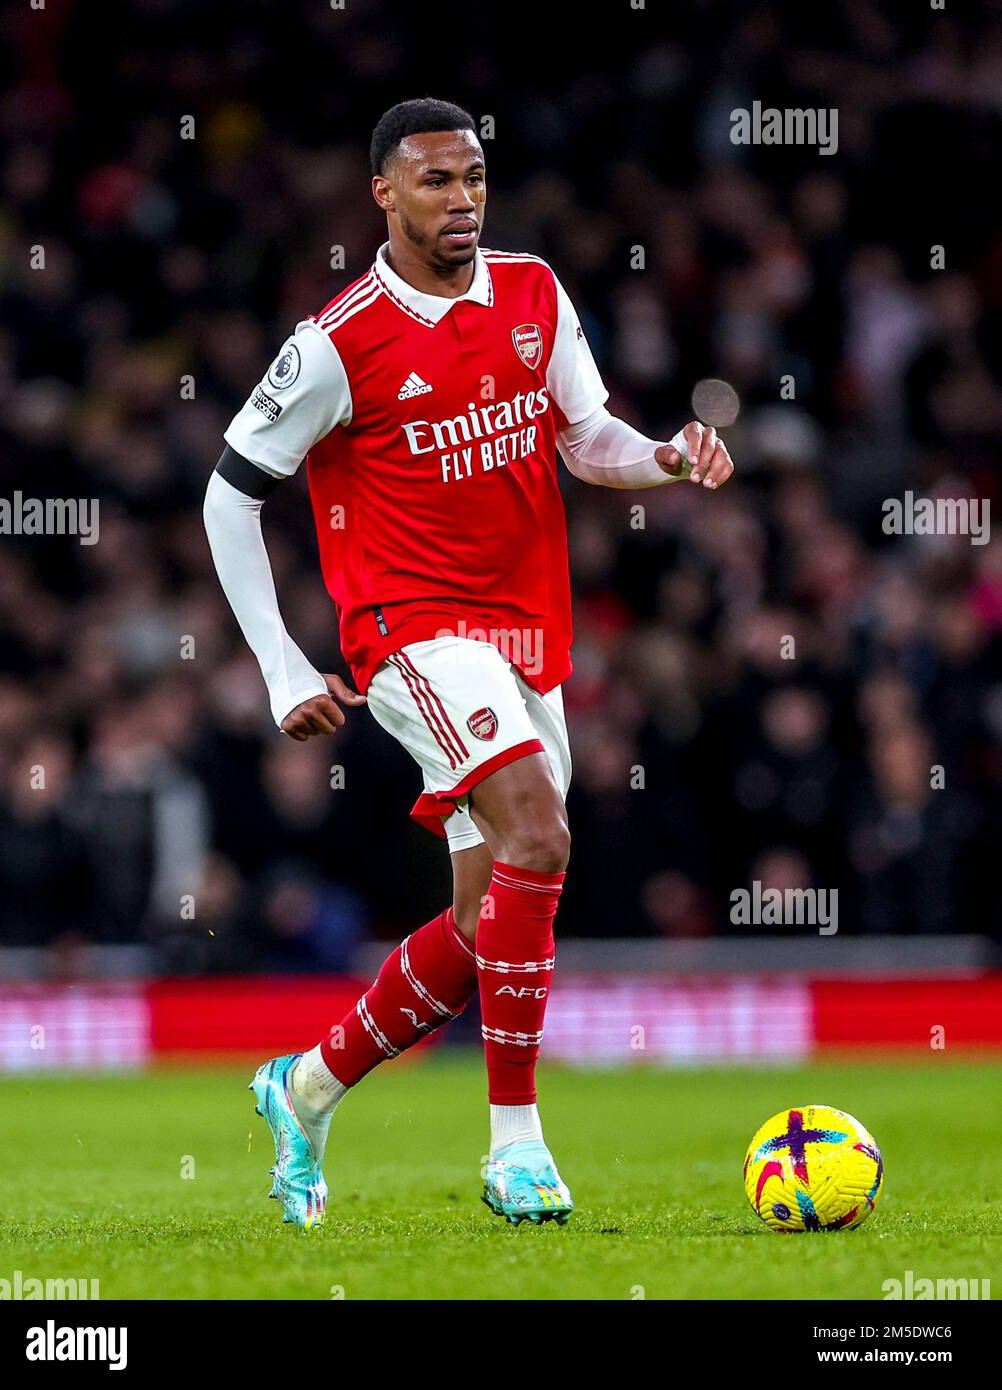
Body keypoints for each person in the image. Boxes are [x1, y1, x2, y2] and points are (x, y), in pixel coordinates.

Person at [203, 96, 734, 1230]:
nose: (462, 199)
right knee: (542, 832)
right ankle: (517, 1146)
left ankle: (302, 1089)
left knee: (491, 910)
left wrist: (668, 457)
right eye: (435, 181)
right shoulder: (337, 340)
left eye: (475, 177)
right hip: (409, 631)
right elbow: (229, 492)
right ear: (383, 194)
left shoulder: (534, 290)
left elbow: (588, 439)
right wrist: (283, 667)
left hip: (523, 632)